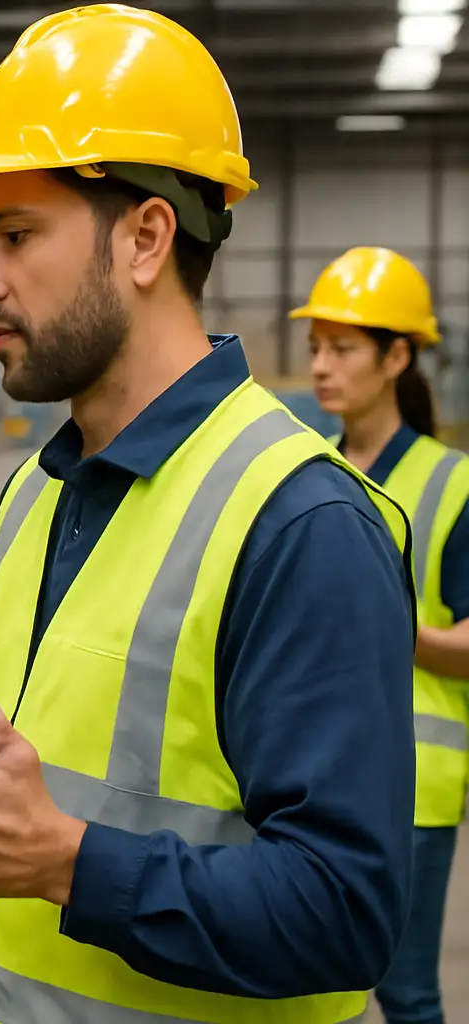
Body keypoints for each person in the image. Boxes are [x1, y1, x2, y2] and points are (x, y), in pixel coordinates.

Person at [0, 6, 418, 1023]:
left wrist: (65, 860)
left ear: (147, 238)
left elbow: (347, 910)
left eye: (16, 234)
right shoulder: (35, 490)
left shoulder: (301, 523)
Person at [297, 245, 469, 1024]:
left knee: (404, 991)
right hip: (310, 768)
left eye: (343, 349)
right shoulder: (306, 475)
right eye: (315, 349)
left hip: (415, 783)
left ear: (397, 356)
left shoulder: (451, 482)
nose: (322, 368)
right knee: (312, 986)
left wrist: (391, 634)